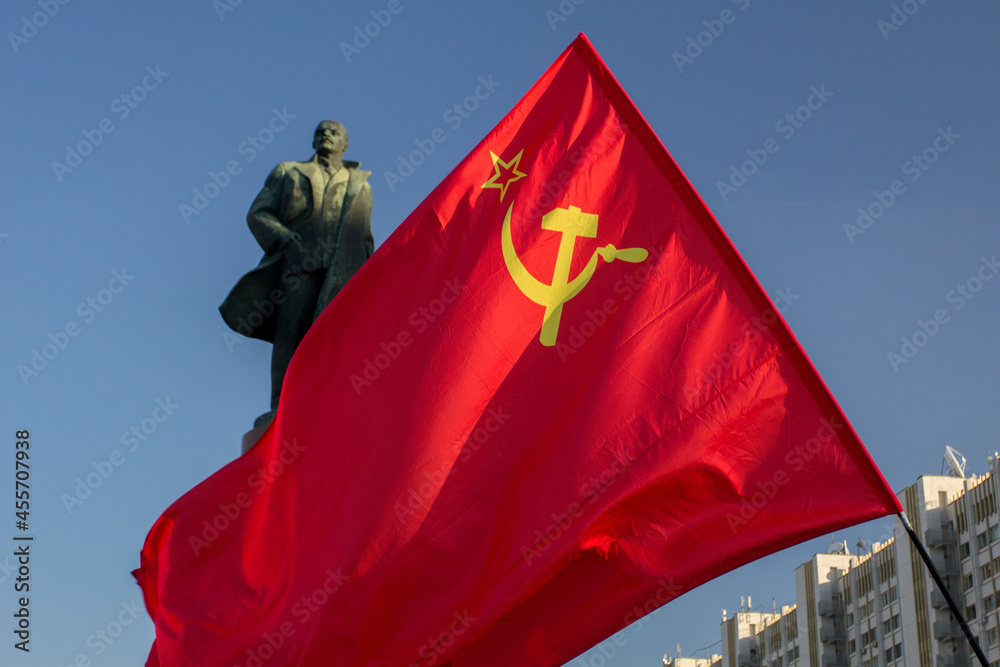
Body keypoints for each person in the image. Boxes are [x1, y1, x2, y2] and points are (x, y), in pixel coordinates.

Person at [220, 120, 373, 421]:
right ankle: (281, 407)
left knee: (334, 344)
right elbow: (258, 213)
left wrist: (369, 282)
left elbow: (365, 239)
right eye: (320, 131)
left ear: (346, 144)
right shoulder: (288, 172)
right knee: (289, 337)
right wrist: (284, 237)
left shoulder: (361, 185)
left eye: (334, 132)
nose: (326, 134)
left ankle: (329, 407)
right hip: (298, 266)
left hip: (341, 275)